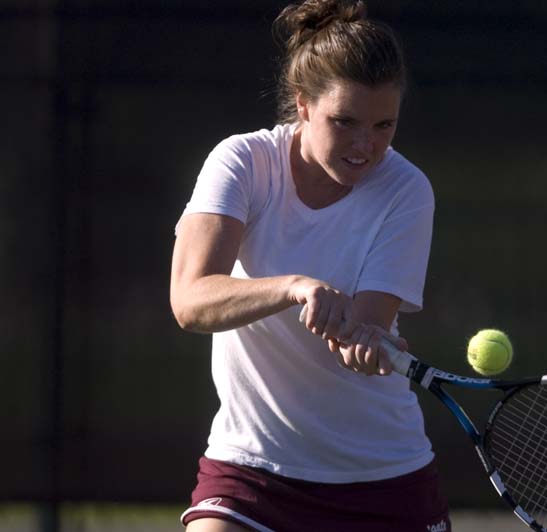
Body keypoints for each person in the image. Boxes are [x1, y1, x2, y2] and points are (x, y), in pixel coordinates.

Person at [169, 1, 449, 530]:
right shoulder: (242, 163)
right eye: (344, 122)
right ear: (302, 105)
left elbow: (361, 328)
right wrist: (294, 287)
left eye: (384, 125)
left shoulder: (407, 189)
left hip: (383, 481)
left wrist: (363, 341)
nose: (366, 146)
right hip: (251, 471)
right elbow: (190, 301)